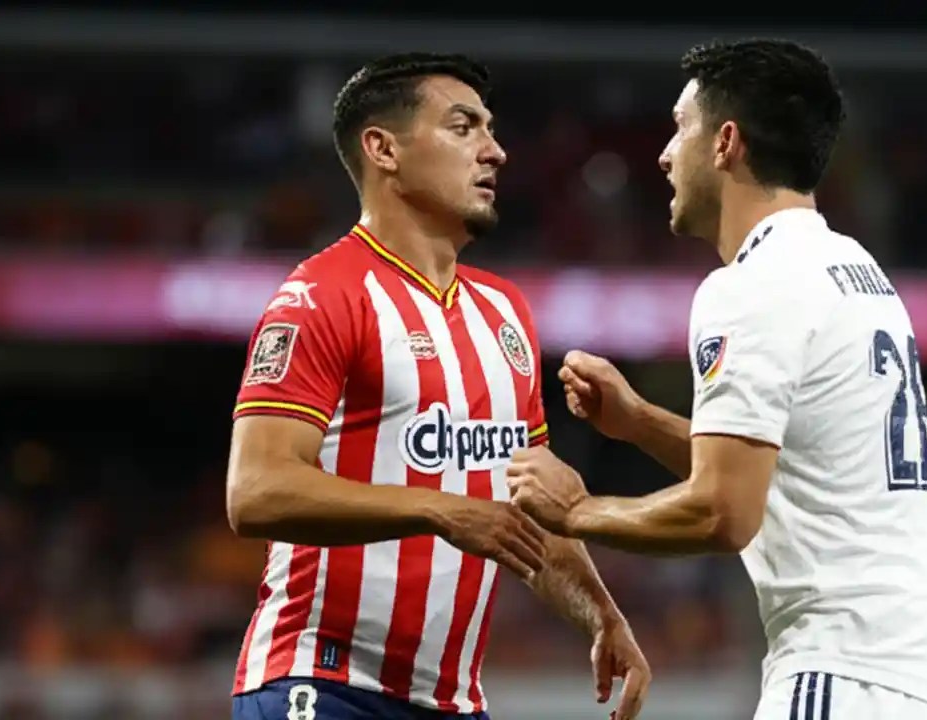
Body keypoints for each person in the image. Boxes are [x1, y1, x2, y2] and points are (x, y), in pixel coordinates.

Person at [507, 39, 927, 720]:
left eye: (681, 127)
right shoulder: (854, 267)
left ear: (726, 142)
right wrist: (638, 423)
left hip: (845, 670)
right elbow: (782, 473)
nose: (665, 154)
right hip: (922, 672)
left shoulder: (751, 285)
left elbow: (723, 511)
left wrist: (576, 512)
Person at [226, 52, 649, 720]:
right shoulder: (321, 295)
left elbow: (529, 505)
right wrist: (437, 507)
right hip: (320, 684)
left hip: (453, 702)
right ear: (383, 149)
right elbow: (255, 491)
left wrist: (601, 615)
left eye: (491, 130)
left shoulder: (504, 312)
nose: (495, 151)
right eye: (463, 127)